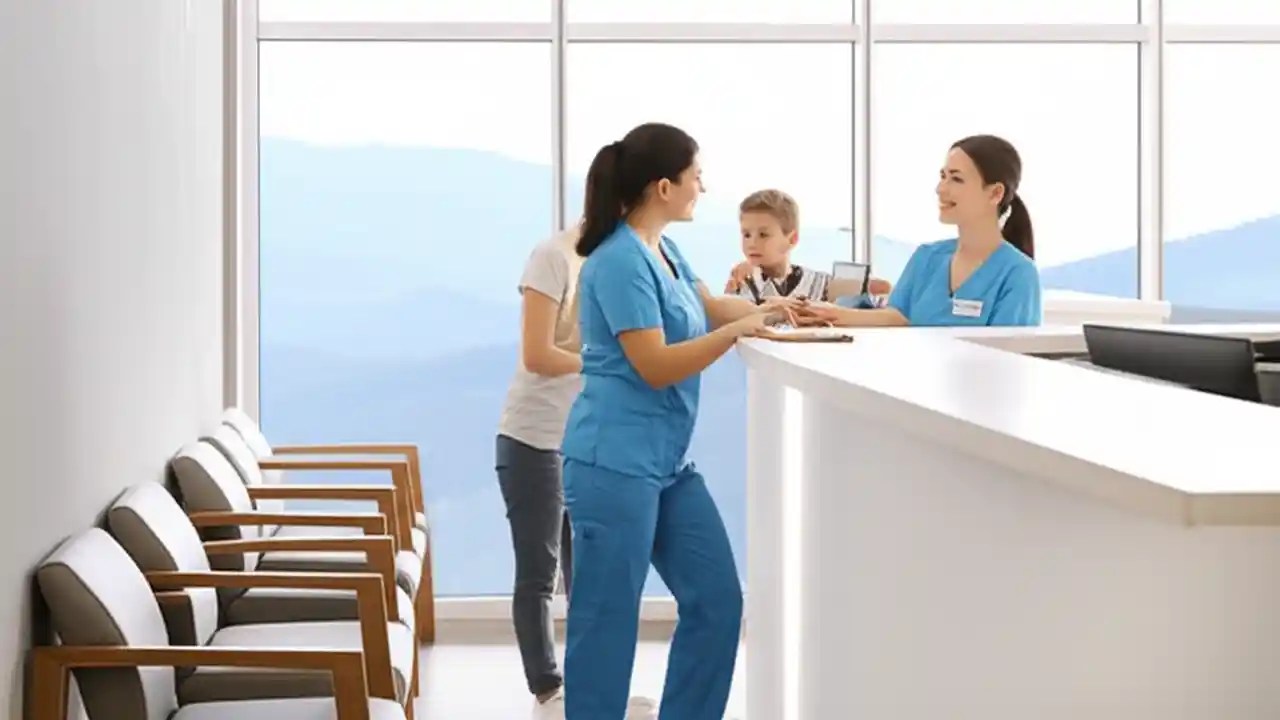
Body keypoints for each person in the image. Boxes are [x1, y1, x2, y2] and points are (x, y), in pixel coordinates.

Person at [561, 122, 788, 720]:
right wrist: (737, 332)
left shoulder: (665, 250)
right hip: (611, 464)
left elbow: (709, 305)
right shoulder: (618, 262)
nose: (702, 187)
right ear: (664, 186)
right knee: (607, 623)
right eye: (696, 176)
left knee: (717, 601)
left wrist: (776, 310)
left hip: (666, 466)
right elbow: (655, 365)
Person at [495, 161, 660, 720]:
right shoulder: (554, 255)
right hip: (534, 439)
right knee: (539, 572)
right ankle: (548, 690)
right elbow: (537, 354)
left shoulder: (628, 260)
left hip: (589, 442)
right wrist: (609, 362)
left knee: (589, 575)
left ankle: (596, 689)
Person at [796, 134, 1041, 328]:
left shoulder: (1017, 273)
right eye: (943, 176)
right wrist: (831, 314)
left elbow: (1009, 354)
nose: (940, 189)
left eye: (956, 179)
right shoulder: (927, 257)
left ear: (995, 193)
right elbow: (898, 317)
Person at [723, 188, 893, 303]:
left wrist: (865, 286)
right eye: (746, 235)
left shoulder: (821, 284)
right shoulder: (740, 283)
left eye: (763, 235)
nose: (752, 243)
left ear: (792, 239)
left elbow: (883, 288)